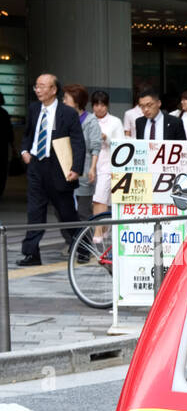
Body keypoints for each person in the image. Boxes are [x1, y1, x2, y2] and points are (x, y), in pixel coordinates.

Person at [19, 73, 84, 266]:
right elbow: (28, 134)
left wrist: (76, 168)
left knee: (67, 213)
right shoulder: (33, 109)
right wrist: (24, 150)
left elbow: (78, 142)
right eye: (36, 86)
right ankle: (31, 254)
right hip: (36, 166)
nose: (38, 90)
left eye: (42, 86)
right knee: (34, 212)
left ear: (53, 90)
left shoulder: (68, 113)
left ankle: (82, 247)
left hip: (59, 168)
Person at [63, 84, 100, 221]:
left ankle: (86, 242)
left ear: (77, 101)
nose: (64, 101)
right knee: (64, 211)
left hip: (84, 173)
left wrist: (92, 168)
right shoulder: (63, 119)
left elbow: (96, 147)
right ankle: (74, 241)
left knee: (83, 212)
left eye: (67, 98)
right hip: (65, 172)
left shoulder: (90, 121)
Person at [90, 90, 125, 216]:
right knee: (96, 200)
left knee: (100, 198)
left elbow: (121, 145)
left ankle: (98, 234)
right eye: (96, 105)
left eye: (103, 105)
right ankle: (103, 231)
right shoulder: (88, 120)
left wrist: (106, 138)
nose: (99, 108)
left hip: (107, 165)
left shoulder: (115, 121)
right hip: (89, 164)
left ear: (107, 105)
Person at [0, 91, 14, 203]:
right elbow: (9, 132)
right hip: (2, 147)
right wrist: (13, 146)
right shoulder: (4, 113)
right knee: (2, 170)